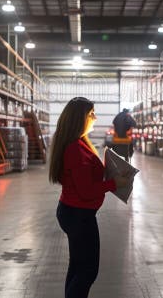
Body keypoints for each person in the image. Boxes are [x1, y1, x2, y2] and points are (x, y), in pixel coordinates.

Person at [49, 97, 132, 298]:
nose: (95, 117)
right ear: (79, 118)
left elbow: (86, 177)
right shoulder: (75, 149)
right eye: (91, 114)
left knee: (78, 266)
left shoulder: (80, 143)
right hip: (78, 215)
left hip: (76, 212)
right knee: (87, 270)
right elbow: (86, 191)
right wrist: (115, 183)